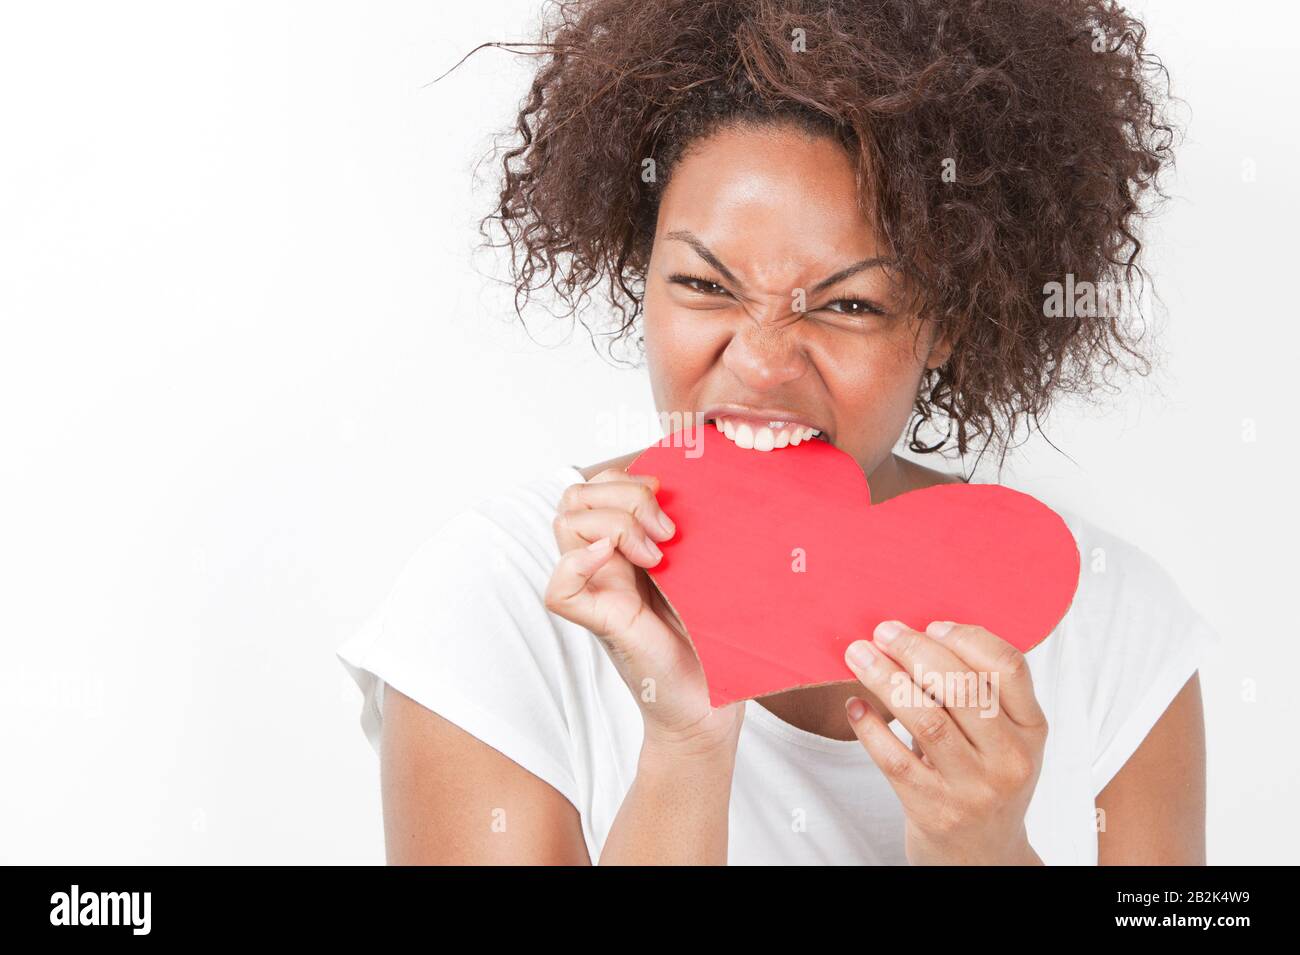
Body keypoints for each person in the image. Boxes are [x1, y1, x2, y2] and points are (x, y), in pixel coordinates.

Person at [338, 0, 1219, 864]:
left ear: (948, 322)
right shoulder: (492, 606)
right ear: (640, 272)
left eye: (848, 304)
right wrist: (687, 745)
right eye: (706, 286)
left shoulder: (1113, 629)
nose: (762, 363)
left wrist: (982, 850)